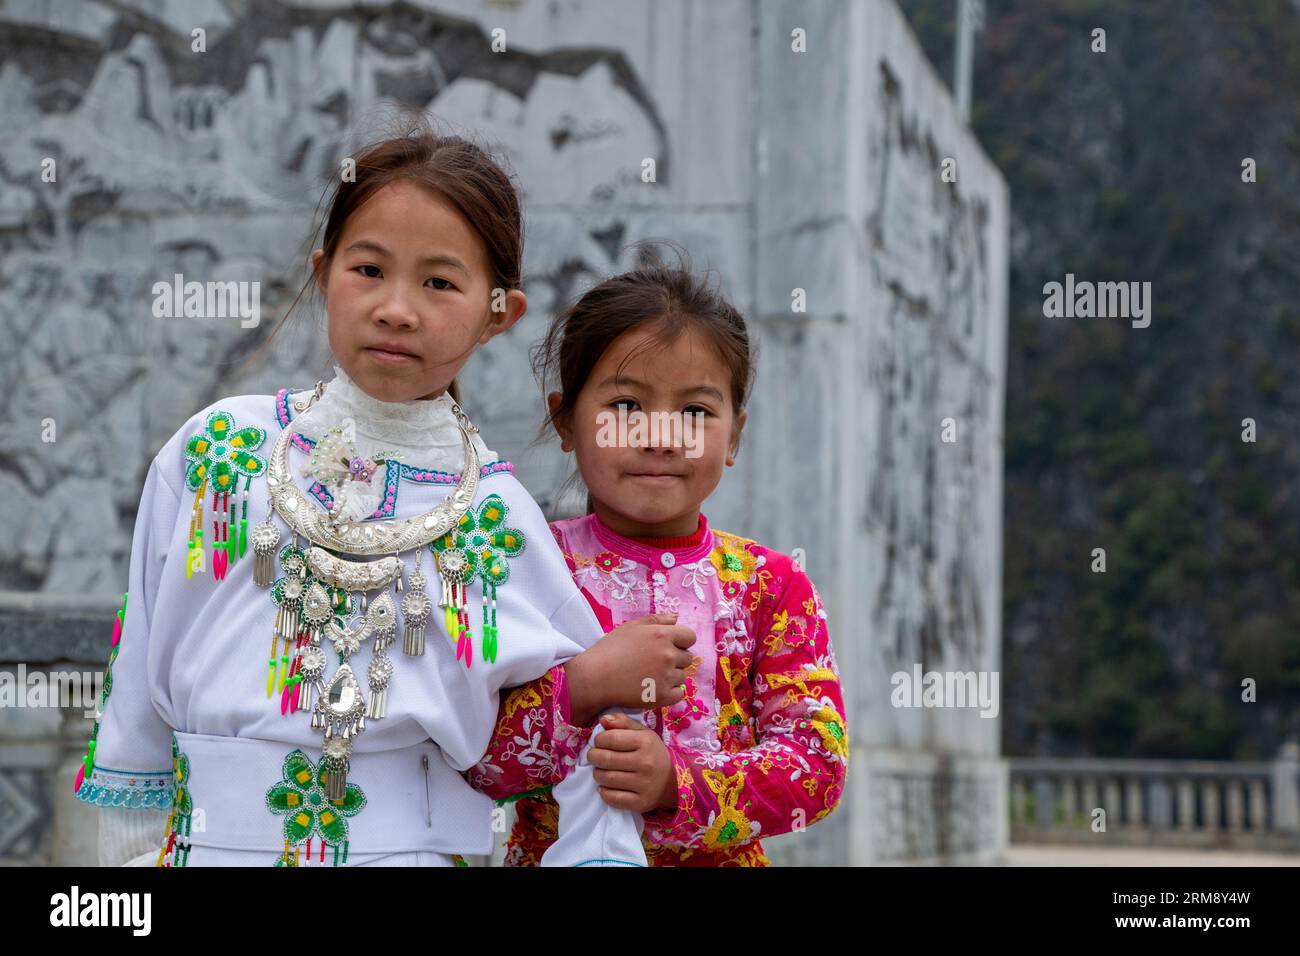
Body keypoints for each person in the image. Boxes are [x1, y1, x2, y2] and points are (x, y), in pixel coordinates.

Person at [73, 116, 648, 867]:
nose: (396, 308)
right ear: (322, 273)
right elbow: (136, 700)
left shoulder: (494, 520)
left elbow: (589, 733)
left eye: (439, 282)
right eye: (368, 270)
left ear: (497, 313)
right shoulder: (218, 453)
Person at [467, 250, 850, 865]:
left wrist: (679, 784)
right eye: (625, 407)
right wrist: (582, 687)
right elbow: (476, 759)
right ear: (565, 421)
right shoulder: (523, 565)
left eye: (696, 412)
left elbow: (817, 763)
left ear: (735, 436)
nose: (661, 435)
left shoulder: (771, 587)